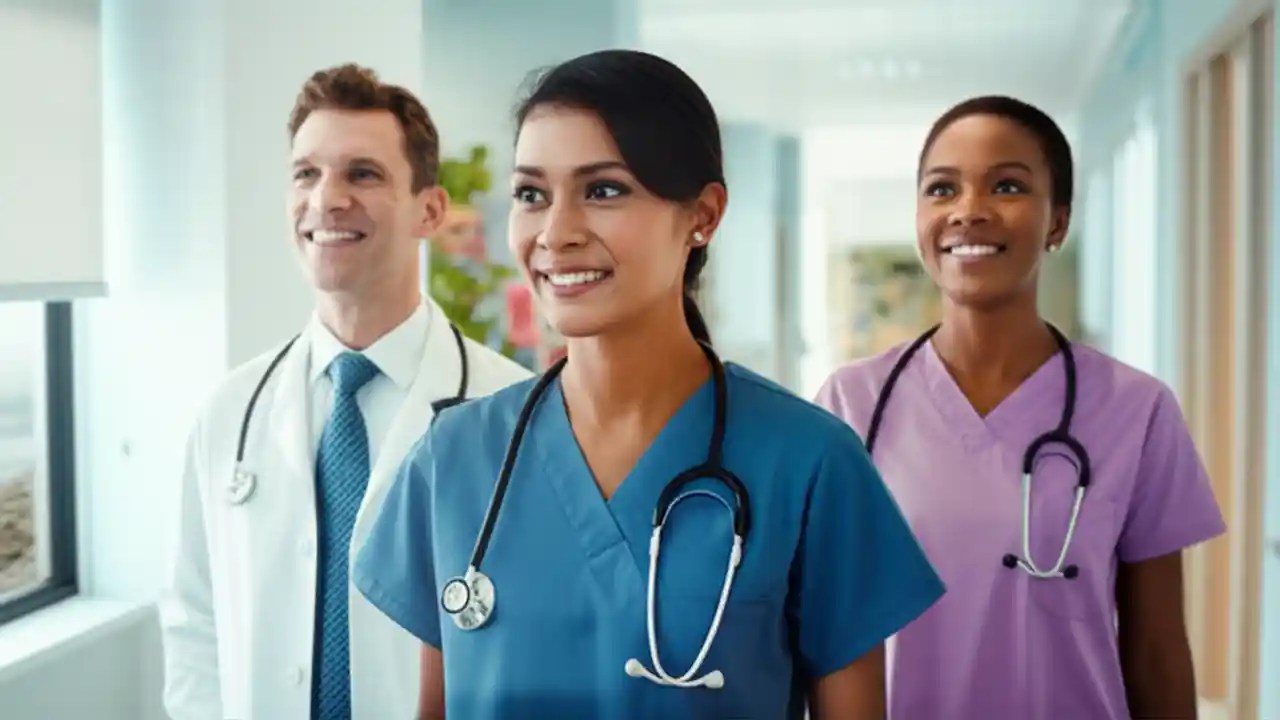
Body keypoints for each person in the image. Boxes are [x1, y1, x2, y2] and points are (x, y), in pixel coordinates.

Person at [350, 49, 945, 720]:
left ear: (704, 214)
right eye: (531, 194)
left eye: (603, 189)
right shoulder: (453, 460)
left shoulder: (809, 463)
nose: (556, 232)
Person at [814, 95, 1226, 720]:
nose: (969, 211)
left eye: (1007, 186)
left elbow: (1157, 650)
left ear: (1057, 222)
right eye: (942, 189)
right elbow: (819, 633)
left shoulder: (1137, 412)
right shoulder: (850, 405)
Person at [158, 63, 532, 720]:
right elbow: (194, 627)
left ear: (430, 210)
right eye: (306, 173)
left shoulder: (517, 414)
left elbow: (542, 642)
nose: (326, 199)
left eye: (363, 173)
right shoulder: (229, 413)